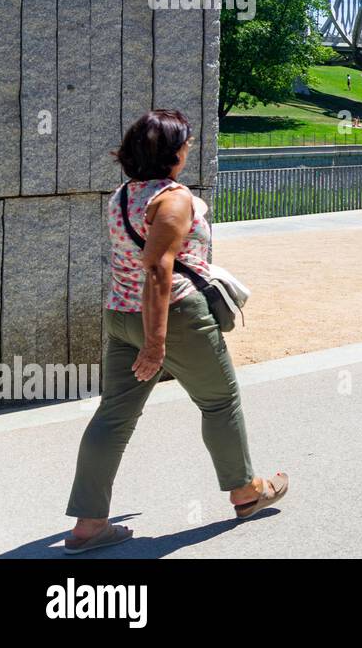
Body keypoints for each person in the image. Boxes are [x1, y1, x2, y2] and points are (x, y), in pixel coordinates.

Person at [64, 110, 288, 554]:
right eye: (186, 142)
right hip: (174, 315)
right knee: (219, 400)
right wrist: (156, 343)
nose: (189, 148)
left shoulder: (123, 195)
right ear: (172, 153)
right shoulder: (173, 199)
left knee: (114, 415)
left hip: (119, 313)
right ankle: (247, 492)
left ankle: (89, 525)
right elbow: (158, 271)